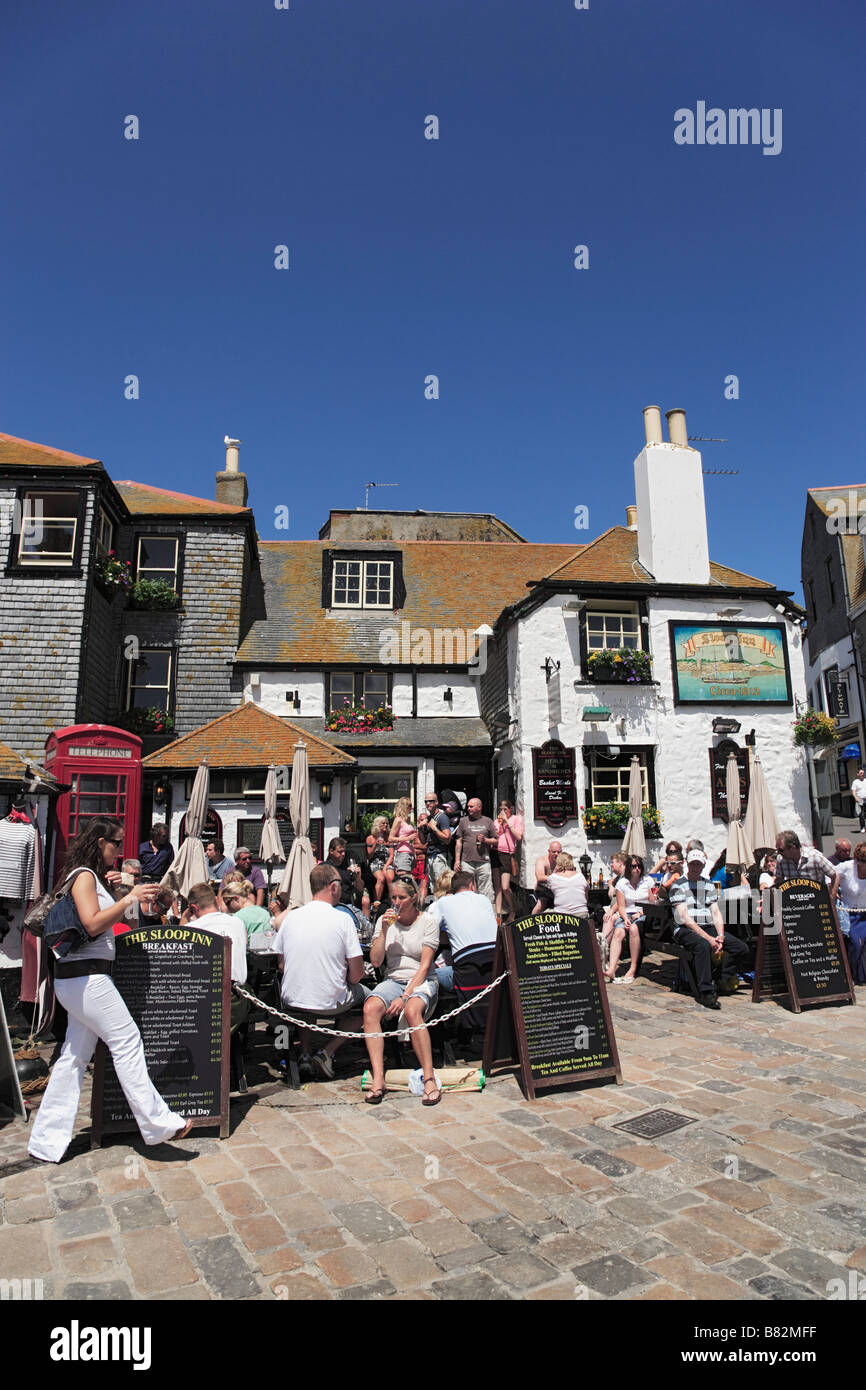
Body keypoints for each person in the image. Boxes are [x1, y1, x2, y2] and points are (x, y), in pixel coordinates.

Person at [28, 818, 191, 1163]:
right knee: (127, 1041)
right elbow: (91, 923)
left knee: (73, 1058)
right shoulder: (84, 876)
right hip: (88, 979)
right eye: (116, 844)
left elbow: (113, 918)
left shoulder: (90, 877)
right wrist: (128, 895)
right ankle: (157, 1123)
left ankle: (46, 1141)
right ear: (100, 842)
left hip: (77, 979)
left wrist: (121, 893)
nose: (119, 852)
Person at [272, 863, 370, 1078]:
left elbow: (281, 965)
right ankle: (328, 1051)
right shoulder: (343, 919)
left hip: (292, 998)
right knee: (373, 999)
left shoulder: (291, 918)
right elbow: (356, 975)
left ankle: (305, 1053)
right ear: (333, 887)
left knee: (309, 989)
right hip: (328, 1002)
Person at [362, 877, 441, 1106]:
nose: (396, 902)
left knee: (412, 1011)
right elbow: (376, 962)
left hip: (421, 979)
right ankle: (379, 1078)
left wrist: (405, 996)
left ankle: (429, 1078)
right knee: (370, 1008)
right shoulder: (386, 921)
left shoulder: (427, 922)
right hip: (393, 978)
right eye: (393, 897)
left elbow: (425, 965)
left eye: (402, 898)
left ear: (414, 898)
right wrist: (384, 931)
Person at [668, 847, 749, 1009]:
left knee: (741, 948)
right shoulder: (678, 885)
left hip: (707, 925)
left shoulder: (708, 885)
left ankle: (718, 977)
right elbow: (685, 918)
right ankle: (705, 991)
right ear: (686, 864)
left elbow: (716, 912)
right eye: (693, 864)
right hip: (685, 928)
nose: (695, 868)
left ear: (703, 866)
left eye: (698, 865)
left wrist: (720, 935)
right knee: (702, 946)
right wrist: (709, 938)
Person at [430, 871, 498, 991]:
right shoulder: (484, 900)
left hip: (466, 970)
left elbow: (430, 929)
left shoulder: (442, 903)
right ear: (472, 885)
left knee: (427, 977)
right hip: (496, 965)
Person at [181, 883, 248, 986]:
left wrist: (184, 917)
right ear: (216, 901)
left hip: (205, 991)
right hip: (237, 992)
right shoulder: (238, 922)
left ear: (194, 908)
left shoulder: (190, 929)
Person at [607, 854, 655, 984]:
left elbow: (652, 903)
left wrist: (639, 914)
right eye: (634, 866)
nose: (637, 869)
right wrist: (625, 918)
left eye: (639, 866)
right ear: (628, 867)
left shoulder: (647, 881)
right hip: (627, 913)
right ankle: (612, 968)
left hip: (644, 913)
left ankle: (633, 969)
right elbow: (621, 906)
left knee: (634, 929)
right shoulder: (622, 883)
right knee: (618, 932)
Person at [774, 831, 839, 900]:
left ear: (793, 847)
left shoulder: (815, 857)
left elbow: (835, 876)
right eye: (777, 850)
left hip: (816, 900)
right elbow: (779, 880)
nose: (778, 853)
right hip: (794, 901)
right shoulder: (781, 859)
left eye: (781, 850)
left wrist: (831, 897)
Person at [454, 799, 497, 904]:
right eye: (468, 806)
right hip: (467, 861)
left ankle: (486, 912)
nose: (468, 809)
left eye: (471, 806)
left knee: (486, 890)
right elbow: (459, 842)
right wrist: (457, 860)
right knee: (467, 890)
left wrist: (485, 840)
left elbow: (496, 841)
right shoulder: (464, 821)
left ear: (479, 807)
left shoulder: (488, 821)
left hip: (484, 861)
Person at [836, 844, 866, 981]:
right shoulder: (847, 867)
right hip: (850, 913)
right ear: (857, 860)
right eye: (863, 862)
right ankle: (856, 975)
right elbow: (831, 874)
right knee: (856, 943)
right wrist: (834, 889)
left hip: (865, 911)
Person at [494, 800, 523, 922]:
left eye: (505, 809)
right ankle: (498, 915)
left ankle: (513, 909)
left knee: (505, 887)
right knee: (498, 887)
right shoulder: (497, 821)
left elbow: (519, 837)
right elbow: (495, 836)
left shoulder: (516, 819)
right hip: (496, 852)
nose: (502, 811)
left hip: (507, 854)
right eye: (500, 809)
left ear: (511, 809)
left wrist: (507, 823)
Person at [417, 792, 452, 890]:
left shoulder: (442, 817)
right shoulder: (428, 818)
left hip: (439, 855)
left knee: (442, 885)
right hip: (430, 855)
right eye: (426, 801)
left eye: (430, 801)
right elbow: (423, 842)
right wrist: (419, 828)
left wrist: (434, 828)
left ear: (436, 802)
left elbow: (447, 839)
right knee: (434, 887)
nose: (427, 803)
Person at [539, 851, 589, 916]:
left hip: (562, 916)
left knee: (542, 914)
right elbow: (586, 898)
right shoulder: (580, 876)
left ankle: (532, 924)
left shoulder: (553, 877)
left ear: (558, 863)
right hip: (582, 914)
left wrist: (554, 871)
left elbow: (549, 888)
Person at [365, 816, 394, 910]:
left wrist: (385, 867)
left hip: (387, 862)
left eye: (386, 823)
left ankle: (393, 901)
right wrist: (375, 845)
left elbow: (391, 855)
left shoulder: (388, 837)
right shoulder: (370, 838)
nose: (385, 825)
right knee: (381, 878)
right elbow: (369, 856)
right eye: (383, 823)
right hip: (375, 862)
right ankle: (376, 903)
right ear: (378, 825)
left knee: (390, 877)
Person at [325, 837, 363, 906]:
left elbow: (360, 889)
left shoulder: (349, 866)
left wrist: (358, 877)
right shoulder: (325, 867)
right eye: (340, 851)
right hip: (332, 904)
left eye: (344, 851)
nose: (343, 854)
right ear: (331, 851)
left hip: (348, 905)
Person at [387, 798, 418, 882]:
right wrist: (407, 838)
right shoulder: (398, 820)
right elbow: (390, 838)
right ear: (404, 806)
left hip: (410, 852)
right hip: (403, 853)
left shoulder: (407, 820)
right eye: (410, 806)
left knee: (408, 881)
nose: (412, 808)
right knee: (404, 881)